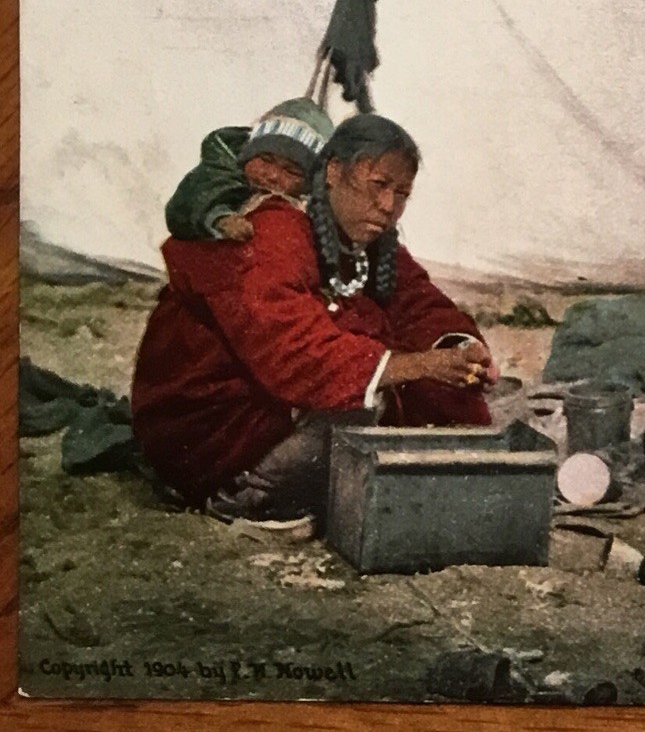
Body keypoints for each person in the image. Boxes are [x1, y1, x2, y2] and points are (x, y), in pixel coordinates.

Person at [132, 114, 496, 529]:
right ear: (334, 172)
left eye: (402, 194)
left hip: (257, 410)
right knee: (360, 401)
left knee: (429, 385)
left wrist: (460, 346)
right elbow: (292, 349)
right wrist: (416, 366)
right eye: (378, 185)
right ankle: (242, 495)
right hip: (205, 427)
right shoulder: (273, 230)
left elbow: (418, 302)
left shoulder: (369, 239)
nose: (388, 206)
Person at [165, 97, 337, 242]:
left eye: (291, 172)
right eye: (265, 160)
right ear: (246, 155)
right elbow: (189, 202)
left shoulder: (307, 211)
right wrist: (220, 218)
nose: (272, 175)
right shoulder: (220, 172)